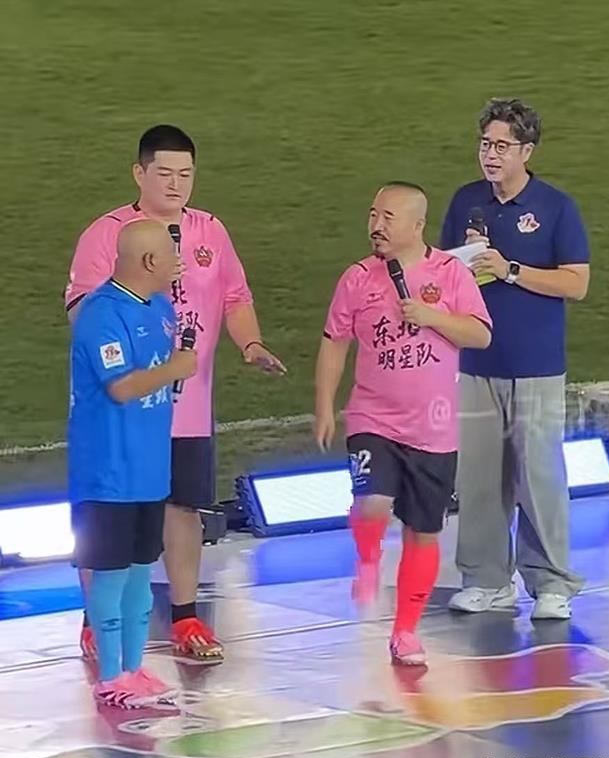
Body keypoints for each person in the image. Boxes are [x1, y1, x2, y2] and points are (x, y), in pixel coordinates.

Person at [65, 125, 286, 661]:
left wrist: (251, 343)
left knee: (183, 508)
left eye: (185, 174)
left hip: (187, 405)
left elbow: (235, 296)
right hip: (123, 412)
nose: (175, 184)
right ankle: (97, 622)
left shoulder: (209, 231)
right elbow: (82, 312)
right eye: (163, 173)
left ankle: (186, 618)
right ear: (139, 174)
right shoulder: (108, 235)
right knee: (110, 515)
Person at [314, 182, 492, 665]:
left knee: (424, 529)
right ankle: (368, 558)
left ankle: (406, 631)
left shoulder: (450, 274)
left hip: (433, 427)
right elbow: (335, 341)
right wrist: (325, 405)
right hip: (373, 416)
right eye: (373, 215)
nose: (376, 225)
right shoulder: (357, 278)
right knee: (371, 502)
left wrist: (432, 316)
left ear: (417, 225)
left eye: (387, 218)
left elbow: (479, 333)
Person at [440, 98, 590, 620]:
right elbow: (442, 275)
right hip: (476, 363)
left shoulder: (555, 207)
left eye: (502, 146)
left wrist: (509, 270)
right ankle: (486, 579)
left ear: (527, 151)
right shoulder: (465, 202)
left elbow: (577, 283)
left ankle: (551, 583)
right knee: (478, 480)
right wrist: (461, 266)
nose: (490, 154)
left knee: (539, 479)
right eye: (486, 144)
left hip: (536, 364)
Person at [69, 219, 197, 707]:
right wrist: (176, 368)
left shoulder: (161, 307)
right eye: (170, 253)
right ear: (149, 261)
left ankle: (133, 668)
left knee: (142, 573)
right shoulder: (101, 314)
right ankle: (110, 676)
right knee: (111, 573)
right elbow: (121, 387)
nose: (178, 262)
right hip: (107, 471)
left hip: (148, 467)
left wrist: (174, 368)